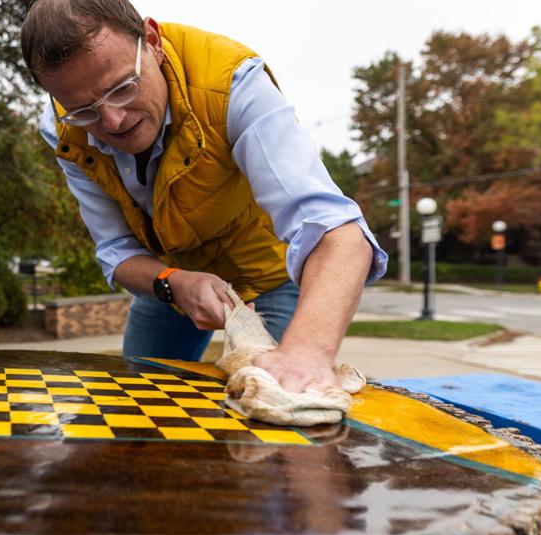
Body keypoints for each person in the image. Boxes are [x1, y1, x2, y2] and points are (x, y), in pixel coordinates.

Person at [21, 0, 385, 393]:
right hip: (173, 273)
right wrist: (173, 284)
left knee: (280, 405)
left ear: (153, 41)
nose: (112, 121)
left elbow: (336, 231)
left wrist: (307, 352)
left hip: (274, 274)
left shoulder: (234, 83)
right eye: (84, 111)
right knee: (137, 405)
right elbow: (116, 251)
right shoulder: (61, 126)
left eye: (123, 87)